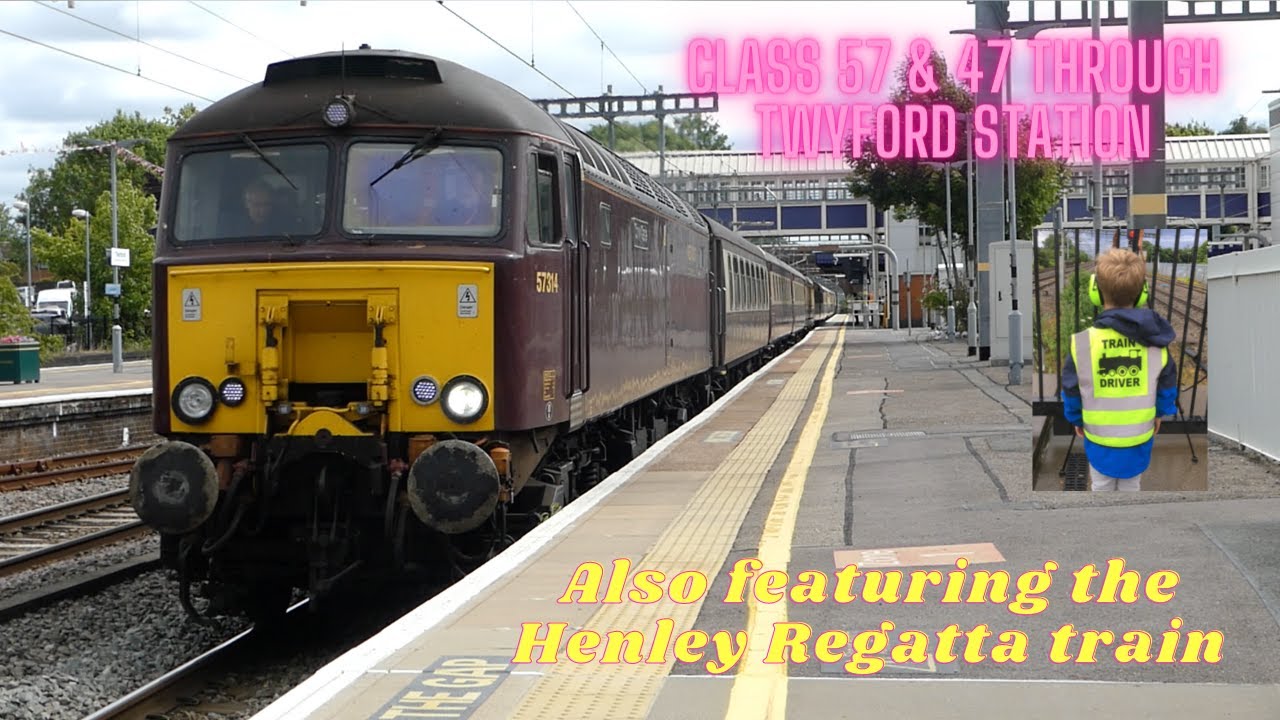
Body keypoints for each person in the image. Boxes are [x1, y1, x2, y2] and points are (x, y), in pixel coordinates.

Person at [1060, 248, 1178, 491]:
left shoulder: (1082, 343)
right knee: (1132, 484)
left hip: (1098, 435)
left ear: (1095, 291)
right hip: (1140, 435)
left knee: (1101, 484)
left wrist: (1076, 419)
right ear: (1142, 293)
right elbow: (1167, 388)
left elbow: (1071, 390)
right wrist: (1159, 414)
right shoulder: (1156, 342)